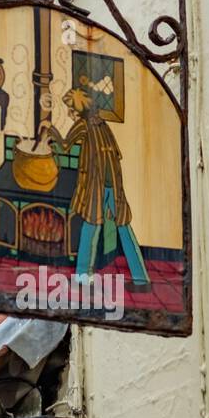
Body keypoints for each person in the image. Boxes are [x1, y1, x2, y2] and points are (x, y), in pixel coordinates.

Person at [40, 85, 150, 287]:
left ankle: (83, 276)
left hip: (97, 185)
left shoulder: (83, 125)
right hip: (114, 185)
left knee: (90, 227)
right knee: (124, 228)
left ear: (78, 110)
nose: (70, 114)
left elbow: (65, 146)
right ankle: (141, 279)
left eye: (70, 110)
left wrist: (50, 129)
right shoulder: (102, 125)